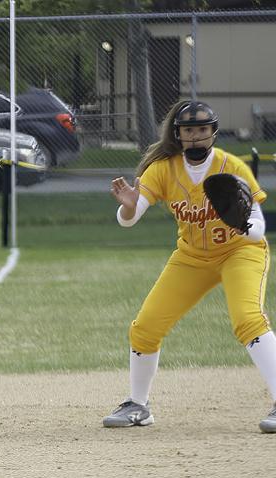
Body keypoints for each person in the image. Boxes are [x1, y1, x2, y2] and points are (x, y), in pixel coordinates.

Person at [104, 99, 276, 432]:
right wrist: (128, 206)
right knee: (145, 327)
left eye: (201, 130)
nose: (195, 137)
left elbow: (258, 225)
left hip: (240, 251)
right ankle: (138, 405)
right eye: (188, 131)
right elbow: (128, 219)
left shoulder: (230, 165)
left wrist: (244, 226)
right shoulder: (163, 169)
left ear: (213, 132)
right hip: (193, 256)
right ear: (178, 134)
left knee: (248, 320)